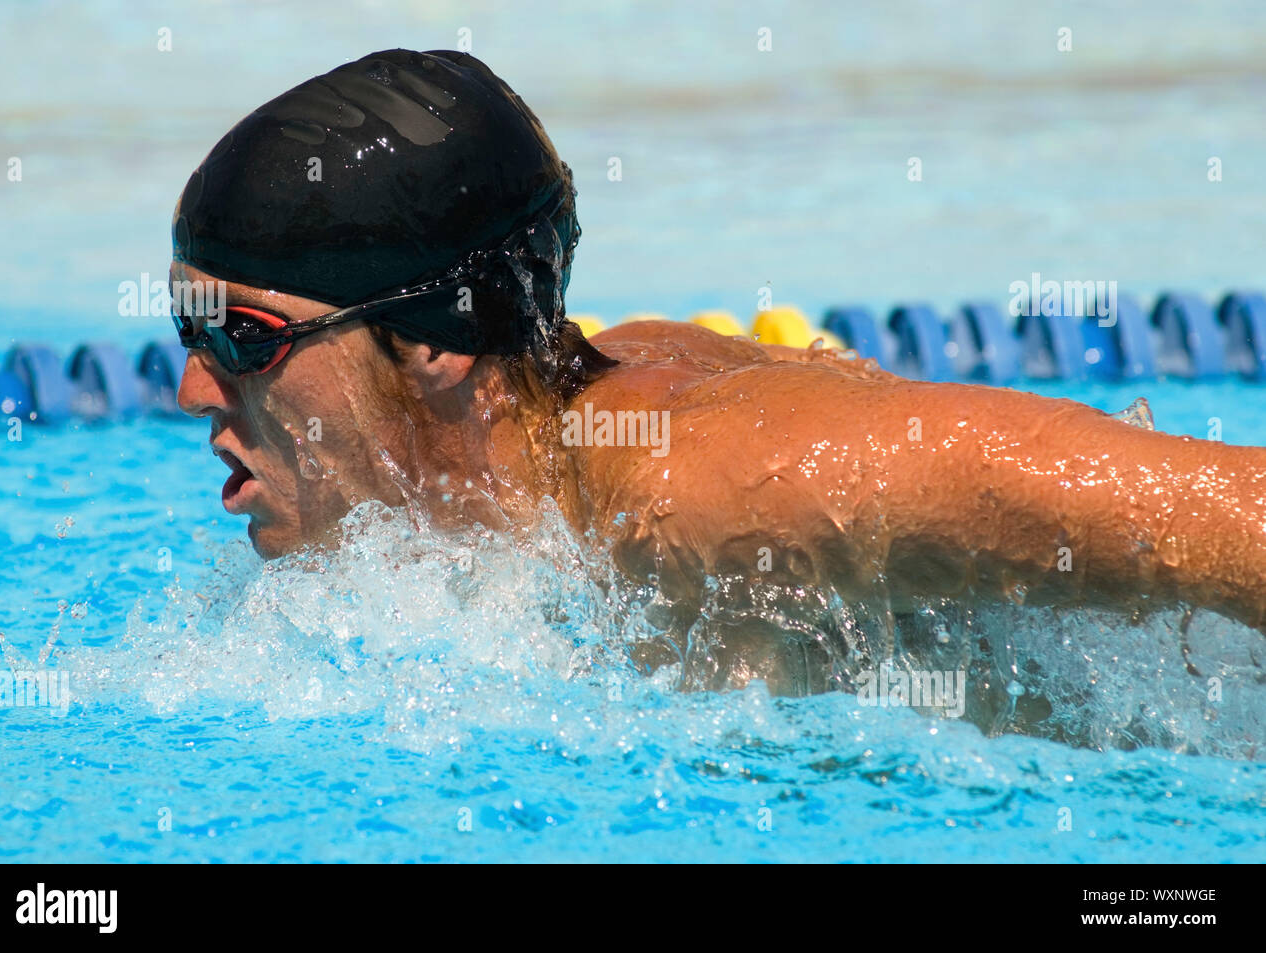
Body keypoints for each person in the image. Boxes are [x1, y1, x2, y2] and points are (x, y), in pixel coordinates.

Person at [170, 48, 1266, 692]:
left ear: (431, 342)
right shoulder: (540, 485)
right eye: (187, 332)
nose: (192, 390)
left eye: (244, 339)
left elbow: (1228, 517)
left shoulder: (714, 482)